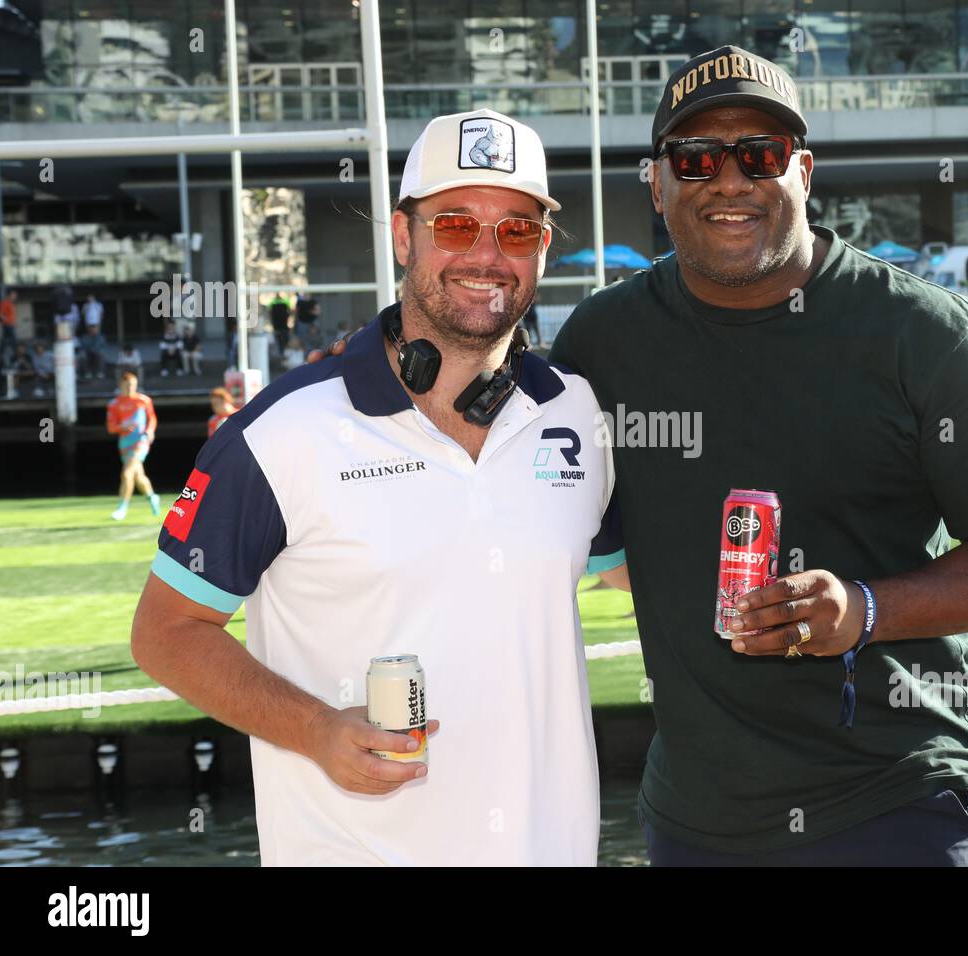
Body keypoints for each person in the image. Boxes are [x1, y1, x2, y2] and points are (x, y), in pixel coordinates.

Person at [320, 50, 968, 866]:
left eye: (761, 155)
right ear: (658, 183)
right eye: (696, 159)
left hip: (902, 796)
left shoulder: (928, 334)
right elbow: (507, 483)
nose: (730, 180)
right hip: (695, 819)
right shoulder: (604, 341)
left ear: (803, 172)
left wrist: (865, 608)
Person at [131, 108, 628, 866]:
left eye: (518, 230)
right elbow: (165, 633)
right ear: (403, 236)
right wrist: (316, 731)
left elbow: (633, 572)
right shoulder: (280, 433)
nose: (488, 255)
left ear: (543, 250)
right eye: (456, 225)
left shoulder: (578, 412)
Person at [105, 370, 161, 521]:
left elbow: (152, 419)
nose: (130, 388)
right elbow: (111, 427)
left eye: (133, 385)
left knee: (127, 473)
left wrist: (150, 431)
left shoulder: (144, 401)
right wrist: (121, 427)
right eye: (127, 385)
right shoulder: (114, 404)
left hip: (140, 441)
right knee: (138, 476)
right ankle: (152, 497)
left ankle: (122, 508)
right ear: (120, 386)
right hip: (125, 442)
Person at [267, 292, 291, 358]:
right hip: (280, 325)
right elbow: (289, 311)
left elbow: (270, 312)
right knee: (281, 339)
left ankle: (283, 352)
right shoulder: (281, 302)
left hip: (280, 325)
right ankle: (282, 353)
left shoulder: (283, 302)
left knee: (281, 339)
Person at [0, 289, 16, 366]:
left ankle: (4, 356)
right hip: (7, 325)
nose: (15, 297)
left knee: (6, 342)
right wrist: (8, 322)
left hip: (10, 325)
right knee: (13, 341)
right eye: (13, 295)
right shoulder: (5, 303)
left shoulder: (11, 304)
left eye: (15, 295)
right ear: (9, 295)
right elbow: (0, 315)